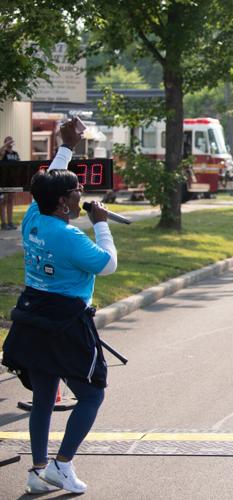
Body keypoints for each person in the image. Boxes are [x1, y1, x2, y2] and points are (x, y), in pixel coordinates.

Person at [1, 119, 118, 495]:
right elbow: (108, 264)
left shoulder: (33, 217)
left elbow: (51, 176)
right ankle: (62, 464)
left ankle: (37, 471)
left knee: (43, 397)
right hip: (66, 322)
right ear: (64, 202)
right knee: (91, 394)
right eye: (77, 190)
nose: (81, 191)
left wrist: (67, 146)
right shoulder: (68, 236)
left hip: (33, 313)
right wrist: (101, 224)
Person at [1, 135, 20, 230]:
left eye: (11, 141)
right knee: (3, 201)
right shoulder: (3, 153)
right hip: (4, 181)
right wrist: (5, 145)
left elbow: (19, 166)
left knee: (10, 201)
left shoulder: (15, 154)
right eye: (8, 141)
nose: (10, 142)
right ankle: (4, 223)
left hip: (13, 181)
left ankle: (10, 222)